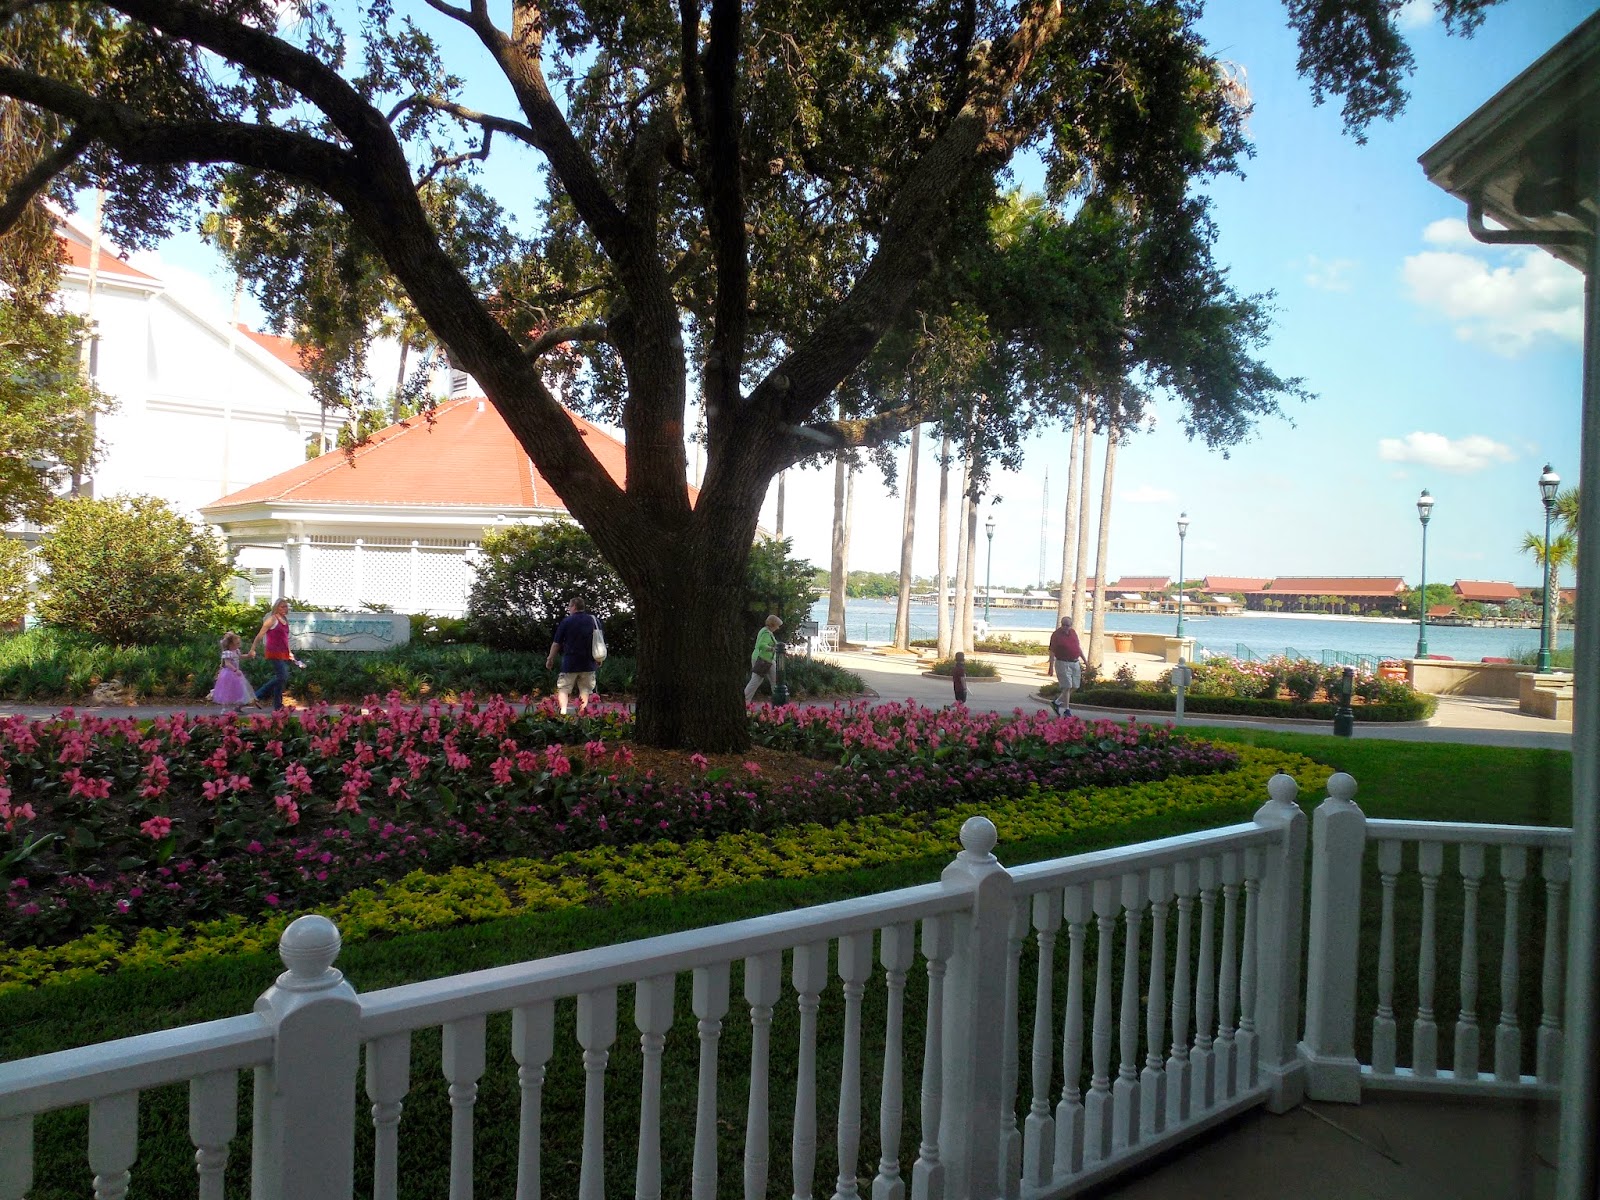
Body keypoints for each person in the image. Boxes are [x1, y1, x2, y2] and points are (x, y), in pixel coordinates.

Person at [546, 596, 602, 715]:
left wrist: (550, 658)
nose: (569, 609)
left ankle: (563, 712)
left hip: (570, 662)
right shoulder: (594, 620)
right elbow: (598, 641)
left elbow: (557, 643)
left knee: (564, 689)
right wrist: (599, 658)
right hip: (589, 662)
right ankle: (581, 715)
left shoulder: (567, 621)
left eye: (569, 606)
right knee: (585, 690)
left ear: (574, 607)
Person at [248, 599, 296, 711]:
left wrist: (289, 652)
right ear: (276, 608)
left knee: (281, 678)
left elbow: (285, 639)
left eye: (285, 607)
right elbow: (260, 635)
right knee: (282, 676)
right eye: (281, 607)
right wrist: (252, 649)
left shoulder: (285, 620)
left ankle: (278, 705)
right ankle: (256, 696)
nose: (284, 609)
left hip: (283, 652)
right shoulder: (272, 620)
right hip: (273, 652)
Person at [1048, 616, 1086, 716]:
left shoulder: (1073, 633)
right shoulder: (1056, 635)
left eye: (1067, 625)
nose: (1065, 627)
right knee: (1067, 686)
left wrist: (1085, 661)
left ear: (1071, 625)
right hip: (1062, 663)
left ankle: (1056, 703)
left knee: (1075, 686)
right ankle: (1067, 710)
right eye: (1063, 625)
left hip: (1075, 662)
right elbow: (1052, 651)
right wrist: (1051, 667)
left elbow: (1078, 648)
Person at [209, 632, 253, 711]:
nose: (238, 645)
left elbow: (240, 656)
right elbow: (227, 663)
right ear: (230, 644)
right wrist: (235, 670)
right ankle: (224, 708)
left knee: (239, 690)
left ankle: (238, 706)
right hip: (228, 674)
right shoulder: (227, 653)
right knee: (227, 690)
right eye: (237, 643)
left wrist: (248, 656)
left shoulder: (236, 651)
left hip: (236, 674)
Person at [744, 614, 782, 703]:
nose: (778, 628)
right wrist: (772, 649)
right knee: (757, 681)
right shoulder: (766, 633)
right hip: (763, 660)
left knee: (768, 681)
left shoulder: (765, 631)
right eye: (777, 625)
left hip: (765, 659)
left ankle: (746, 701)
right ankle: (778, 702)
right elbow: (761, 645)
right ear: (773, 624)